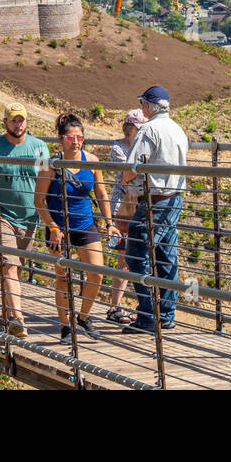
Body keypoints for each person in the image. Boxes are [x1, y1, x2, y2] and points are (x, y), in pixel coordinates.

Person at [35, 112, 112, 343]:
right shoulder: (48, 164)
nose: (76, 141)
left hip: (85, 224)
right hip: (59, 228)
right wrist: (52, 226)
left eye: (80, 137)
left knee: (97, 273)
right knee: (63, 278)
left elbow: (100, 192)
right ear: (61, 139)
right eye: (71, 137)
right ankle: (65, 325)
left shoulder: (92, 161)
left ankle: (83, 317)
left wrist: (110, 223)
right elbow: (39, 200)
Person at [0, 103, 49, 339]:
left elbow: (47, 183)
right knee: (9, 265)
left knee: (15, 271)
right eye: (13, 120)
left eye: (21, 120)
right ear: (5, 122)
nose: (18, 124)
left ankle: (5, 315)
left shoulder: (39, 149)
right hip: (3, 215)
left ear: (26, 122)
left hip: (30, 218)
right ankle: (19, 319)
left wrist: (51, 219)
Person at [121, 85, 189, 334]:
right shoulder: (178, 129)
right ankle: (167, 314)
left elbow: (132, 167)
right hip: (174, 198)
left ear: (148, 106)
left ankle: (148, 314)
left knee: (136, 255)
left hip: (153, 201)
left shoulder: (149, 129)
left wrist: (126, 180)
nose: (141, 108)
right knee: (166, 256)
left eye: (142, 104)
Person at [105, 108, 146, 325]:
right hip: (122, 208)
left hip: (138, 205)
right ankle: (115, 306)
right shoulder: (118, 149)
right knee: (123, 259)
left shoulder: (140, 148)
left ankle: (138, 306)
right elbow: (127, 175)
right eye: (136, 129)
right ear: (128, 128)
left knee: (138, 259)